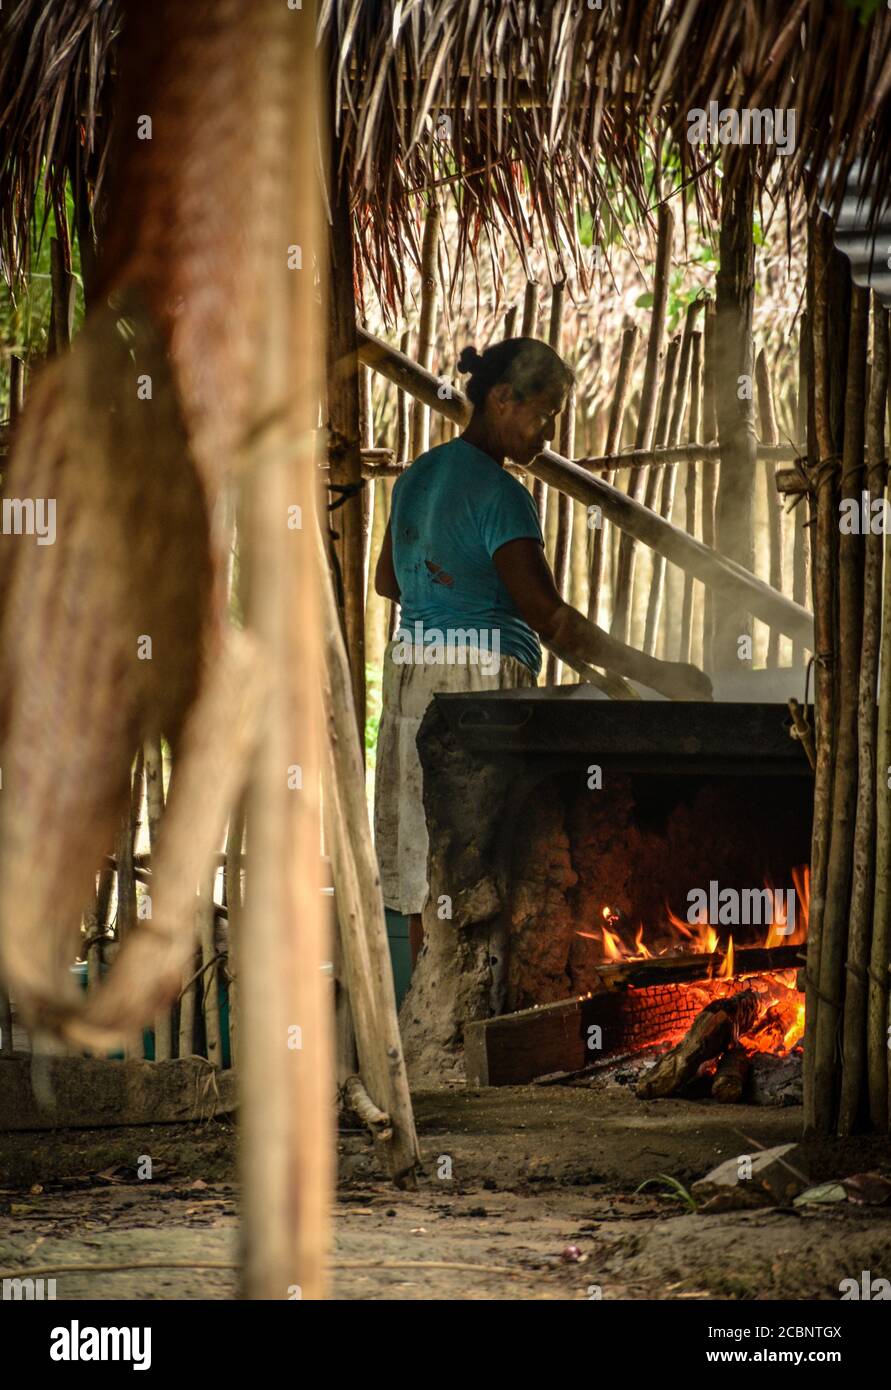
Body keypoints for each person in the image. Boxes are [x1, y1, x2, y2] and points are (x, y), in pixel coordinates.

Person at [373, 337, 712, 965]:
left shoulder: (417, 475)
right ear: (502, 398)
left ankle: (428, 1008)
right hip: (478, 690)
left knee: (428, 860)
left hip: (411, 677)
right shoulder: (503, 496)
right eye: (544, 414)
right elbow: (551, 618)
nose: (547, 433)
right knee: (488, 861)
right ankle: (476, 1017)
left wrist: (450, 579)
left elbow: (388, 582)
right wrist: (658, 673)